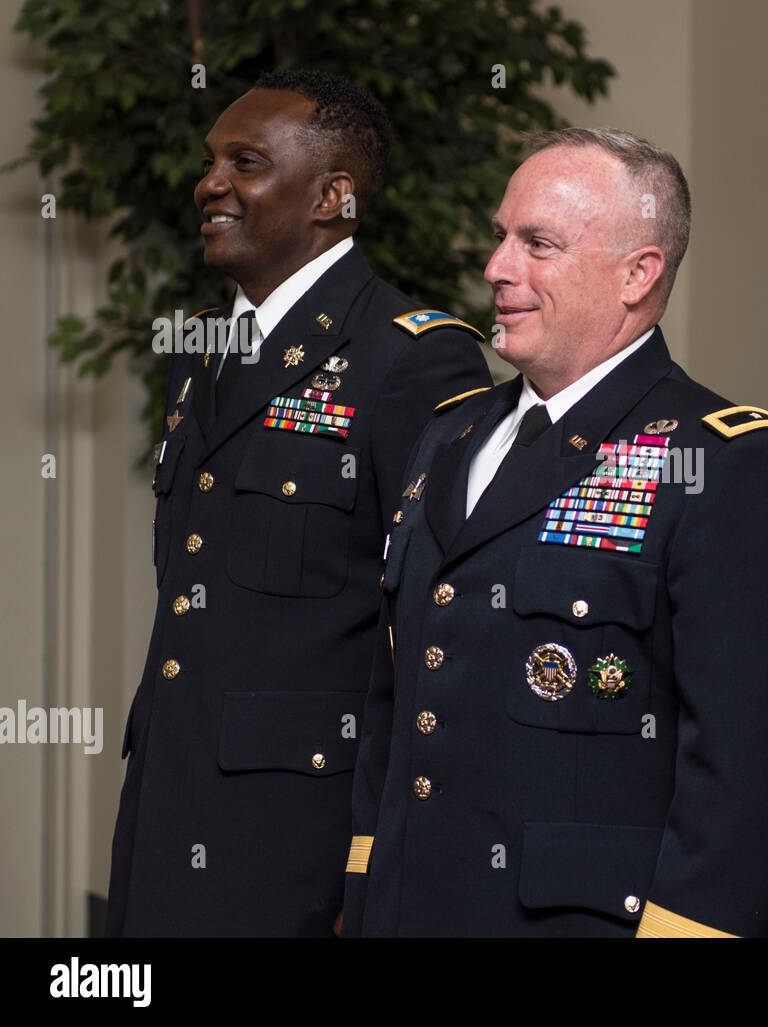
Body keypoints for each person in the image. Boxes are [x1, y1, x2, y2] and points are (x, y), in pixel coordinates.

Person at [340, 128, 768, 937]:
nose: (496, 267)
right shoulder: (450, 434)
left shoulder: (725, 462)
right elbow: (393, 708)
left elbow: (758, 777)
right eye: (501, 236)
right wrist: (364, 894)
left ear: (638, 274)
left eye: (538, 244)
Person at [106, 69, 491, 936]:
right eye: (211, 162)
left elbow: (433, 633)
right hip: (166, 805)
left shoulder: (412, 358)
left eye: (245, 162)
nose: (210, 184)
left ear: (330, 197)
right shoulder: (201, 349)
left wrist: (373, 869)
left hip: (300, 842)